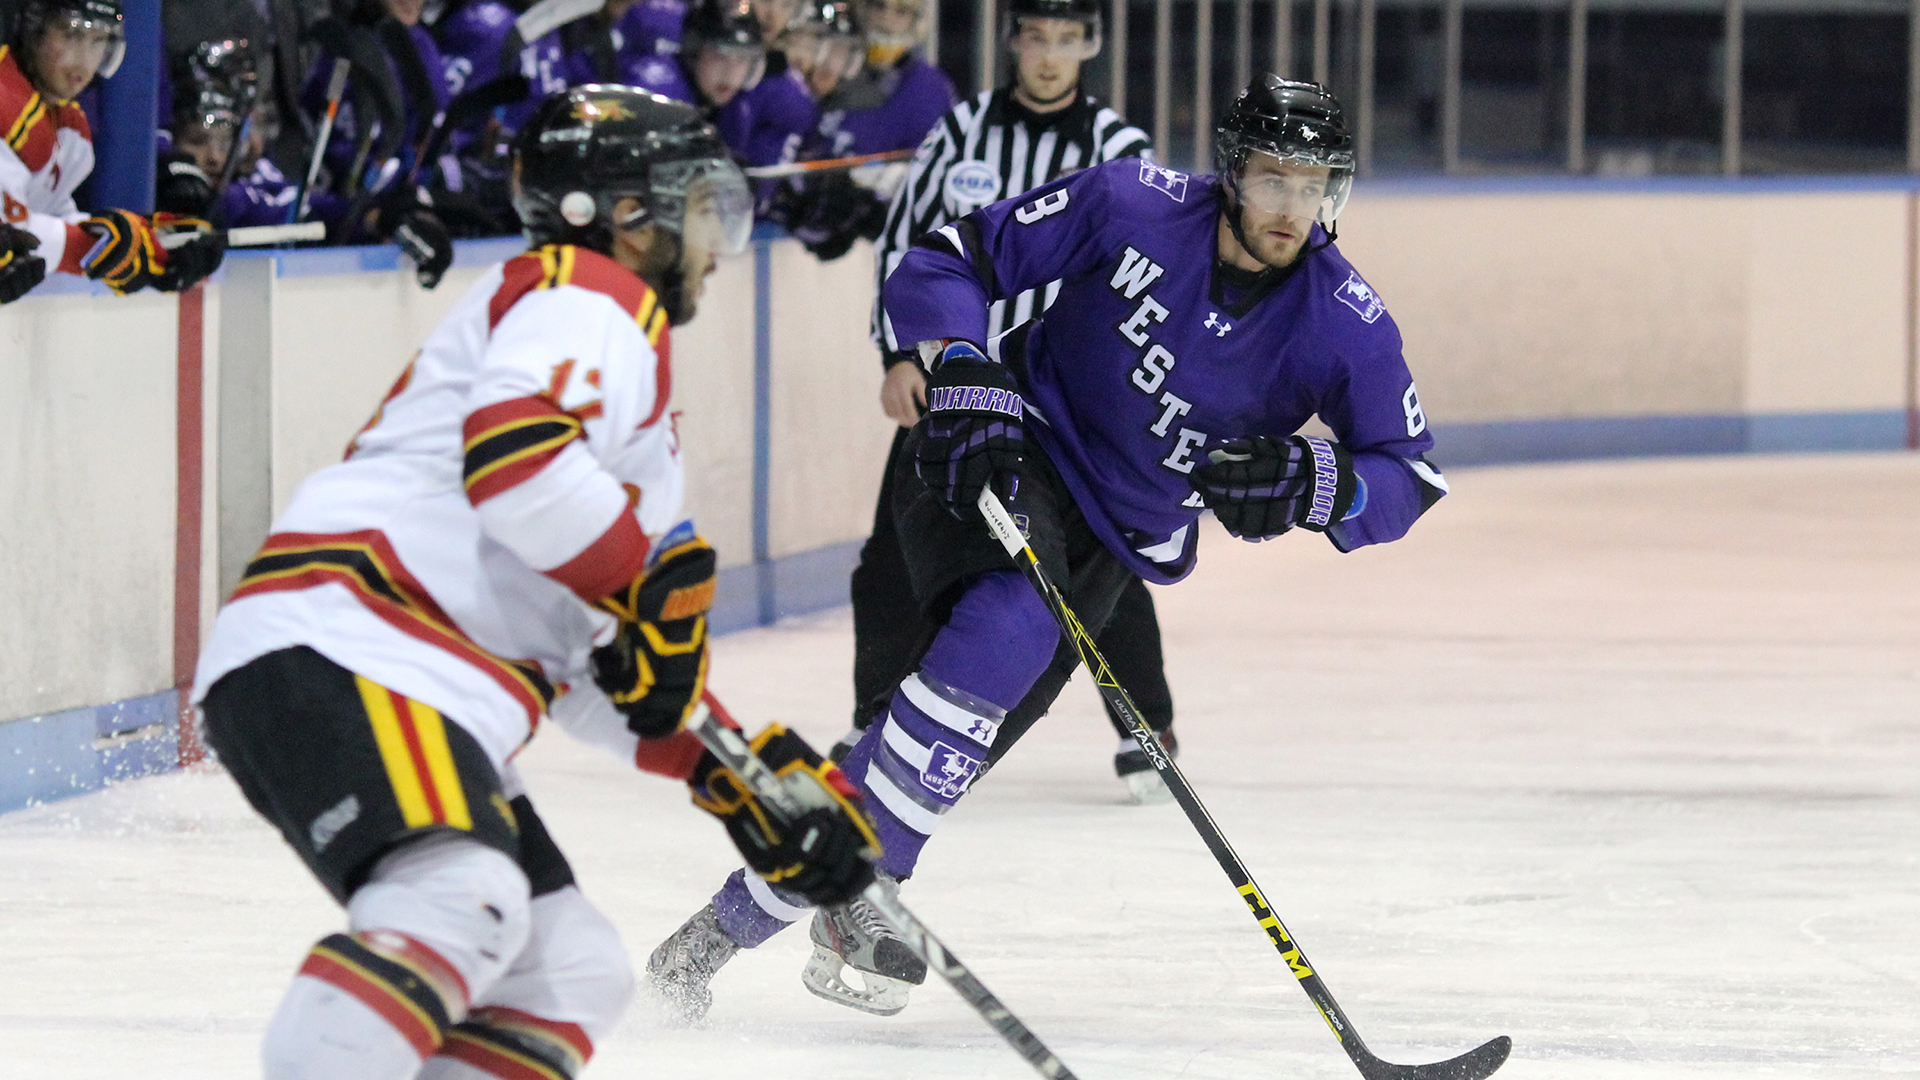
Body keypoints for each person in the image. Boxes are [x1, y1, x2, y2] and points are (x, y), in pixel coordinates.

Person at [650, 76, 1450, 1019]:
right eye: (1274, 179)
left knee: (940, 757)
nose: (1293, 208)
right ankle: (849, 893)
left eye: (1313, 185)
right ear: (1232, 174)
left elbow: (1409, 475)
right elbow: (945, 262)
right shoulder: (1130, 201)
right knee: (1008, 632)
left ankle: (706, 945)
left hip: (1113, 546)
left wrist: (1315, 482)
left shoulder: (1342, 321)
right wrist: (959, 364)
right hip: (998, 450)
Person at [189, 86, 880, 1080]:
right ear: (627, 219)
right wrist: (640, 584)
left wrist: (739, 784)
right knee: (455, 892)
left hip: (408, 668)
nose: (718, 243)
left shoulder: (614, 389)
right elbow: (513, 457)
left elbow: (609, 663)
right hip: (352, 642)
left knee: (567, 971)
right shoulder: (590, 295)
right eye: (696, 208)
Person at [842, 0, 1179, 807]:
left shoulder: (1118, 149)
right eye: (1037, 38)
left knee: (1104, 564)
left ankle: (1147, 726)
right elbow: (905, 241)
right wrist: (897, 352)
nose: (1051, 57)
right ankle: (875, 721)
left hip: (1072, 398)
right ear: (1013, 43)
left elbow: (1156, 267)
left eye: (1069, 40)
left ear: (1091, 46)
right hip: (960, 382)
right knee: (890, 558)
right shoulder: (959, 134)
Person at [0, 0, 223, 302]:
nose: (84, 61)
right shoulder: (7, 104)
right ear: (32, 28)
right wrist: (108, 248)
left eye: (99, 40)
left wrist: (157, 242)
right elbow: (14, 232)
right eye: (71, 34)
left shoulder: (68, 127)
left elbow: (49, 218)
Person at [767, 0, 954, 260]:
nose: (885, 21)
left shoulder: (929, 91)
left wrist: (875, 208)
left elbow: (930, 193)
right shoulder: (814, 65)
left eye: (902, 11)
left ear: (918, 21)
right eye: (877, 6)